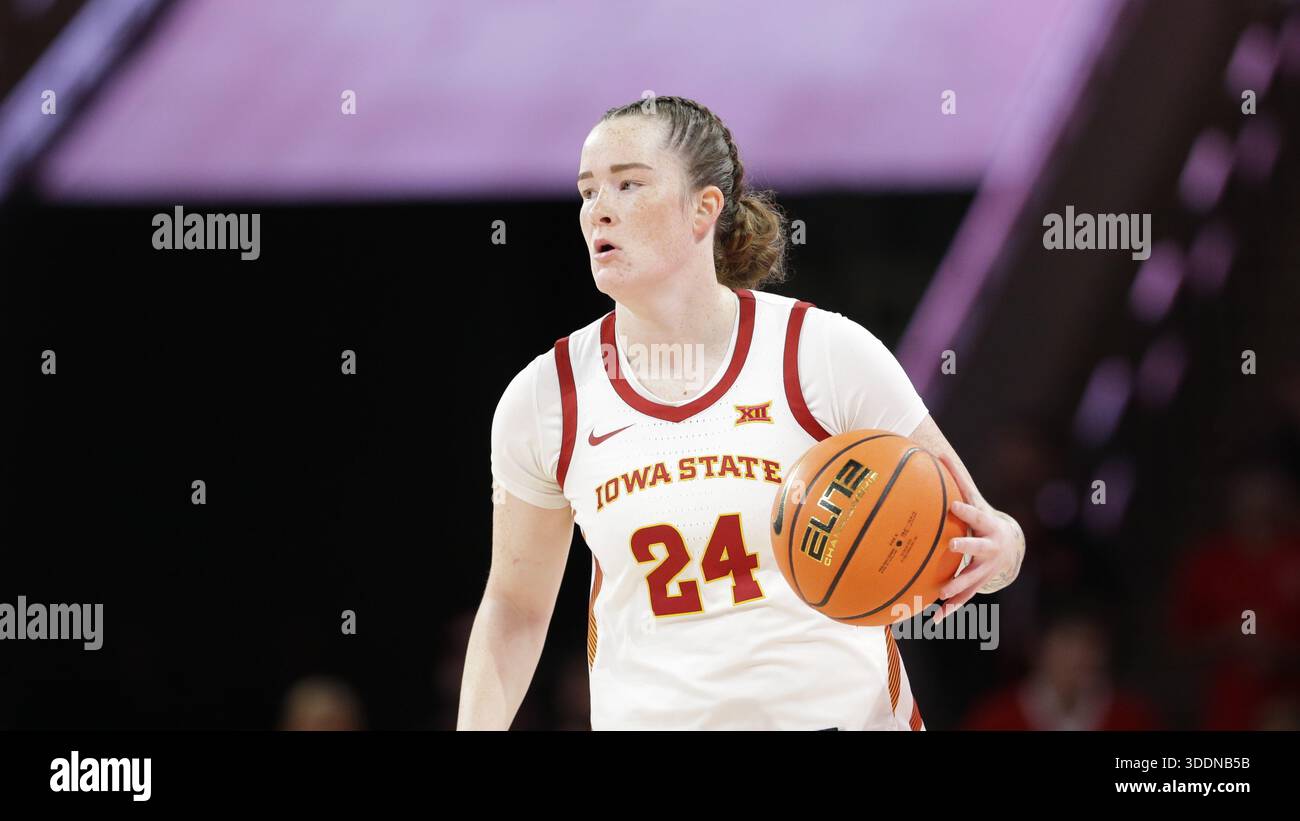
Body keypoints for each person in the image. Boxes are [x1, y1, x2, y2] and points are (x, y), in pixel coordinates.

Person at [458, 95, 1025, 730]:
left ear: (704, 209)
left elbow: (985, 539)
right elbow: (514, 609)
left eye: (629, 184)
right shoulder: (544, 398)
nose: (600, 210)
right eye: (588, 191)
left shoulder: (823, 354)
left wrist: (1000, 549)